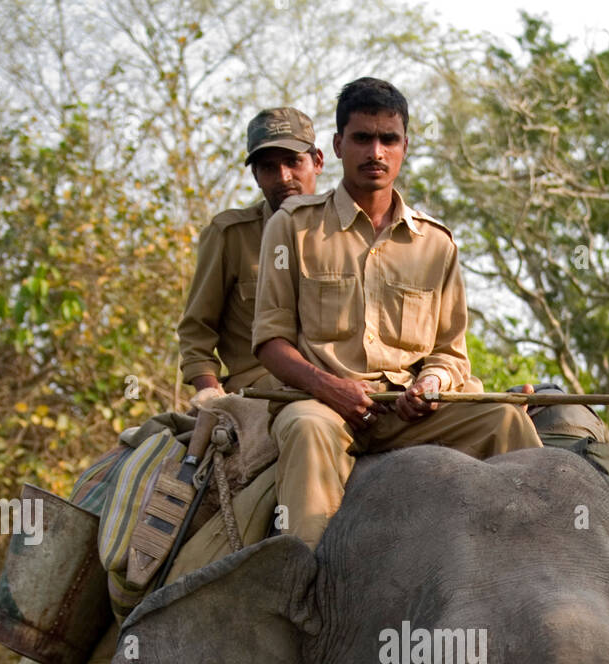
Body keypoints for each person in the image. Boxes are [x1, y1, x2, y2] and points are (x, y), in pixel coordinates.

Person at [252, 77, 541, 545]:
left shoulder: (436, 243)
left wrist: (430, 385)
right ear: (338, 145)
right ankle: (300, 584)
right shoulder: (293, 227)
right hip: (322, 410)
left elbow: (450, 354)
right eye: (363, 138)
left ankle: (548, 550)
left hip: (412, 414)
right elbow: (270, 341)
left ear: (405, 146)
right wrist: (331, 389)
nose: (376, 152)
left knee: (505, 419)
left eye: (388, 139)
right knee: (305, 431)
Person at [178, 107, 324, 408]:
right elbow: (196, 331)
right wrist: (209, 392)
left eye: (293, 162)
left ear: (317, 161)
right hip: (263, 391)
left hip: (347, 382)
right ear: (256, 176)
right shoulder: (230, 235)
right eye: (268, 167)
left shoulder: (349, 233)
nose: (284, 177)